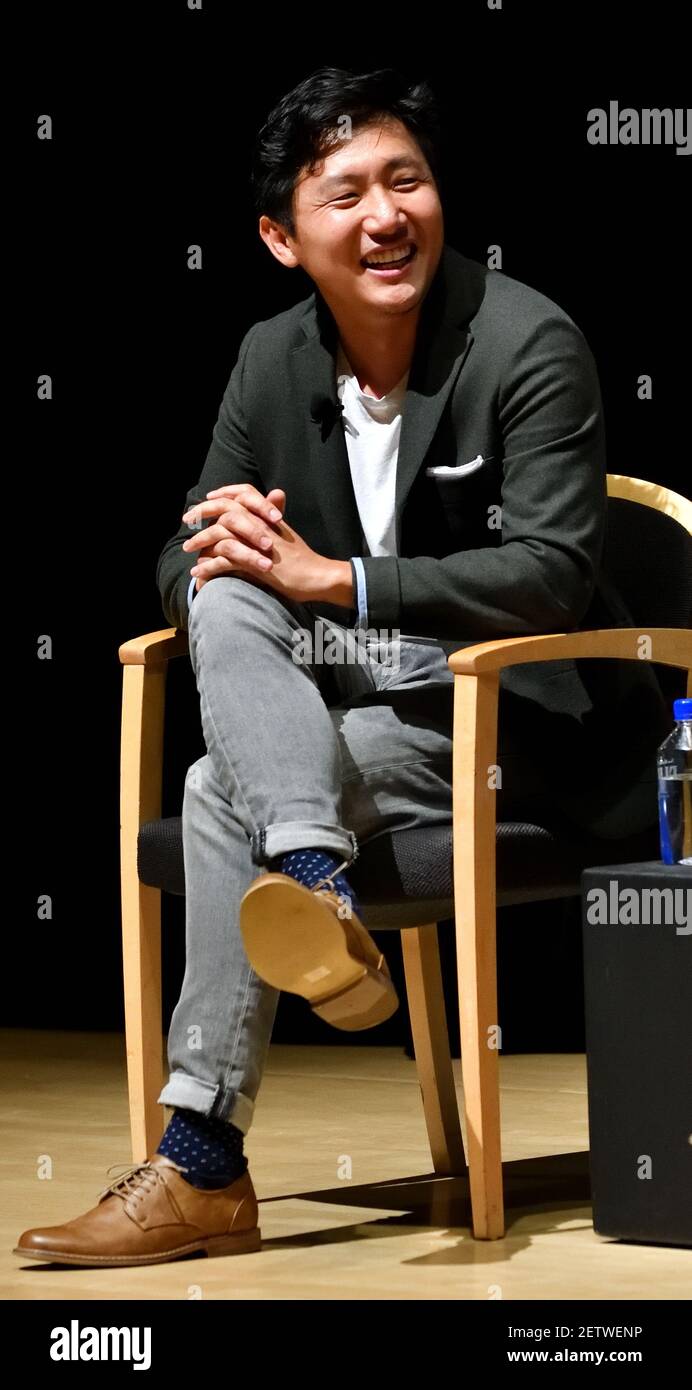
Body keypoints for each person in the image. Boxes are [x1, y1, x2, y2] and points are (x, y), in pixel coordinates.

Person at [14, 65, 669, 1269]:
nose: (384, 215)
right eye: (345, 192)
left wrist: (336, 582)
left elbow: (553, 573)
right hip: (351, 711)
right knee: (217, 581)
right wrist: (229, 559)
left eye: (405, 180)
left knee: (220, 787)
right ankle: (317, 887)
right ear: (280, 236)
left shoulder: (527, 341)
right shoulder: (271, 359)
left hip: (516, 722)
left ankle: (202, 1163)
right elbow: (185, 539)